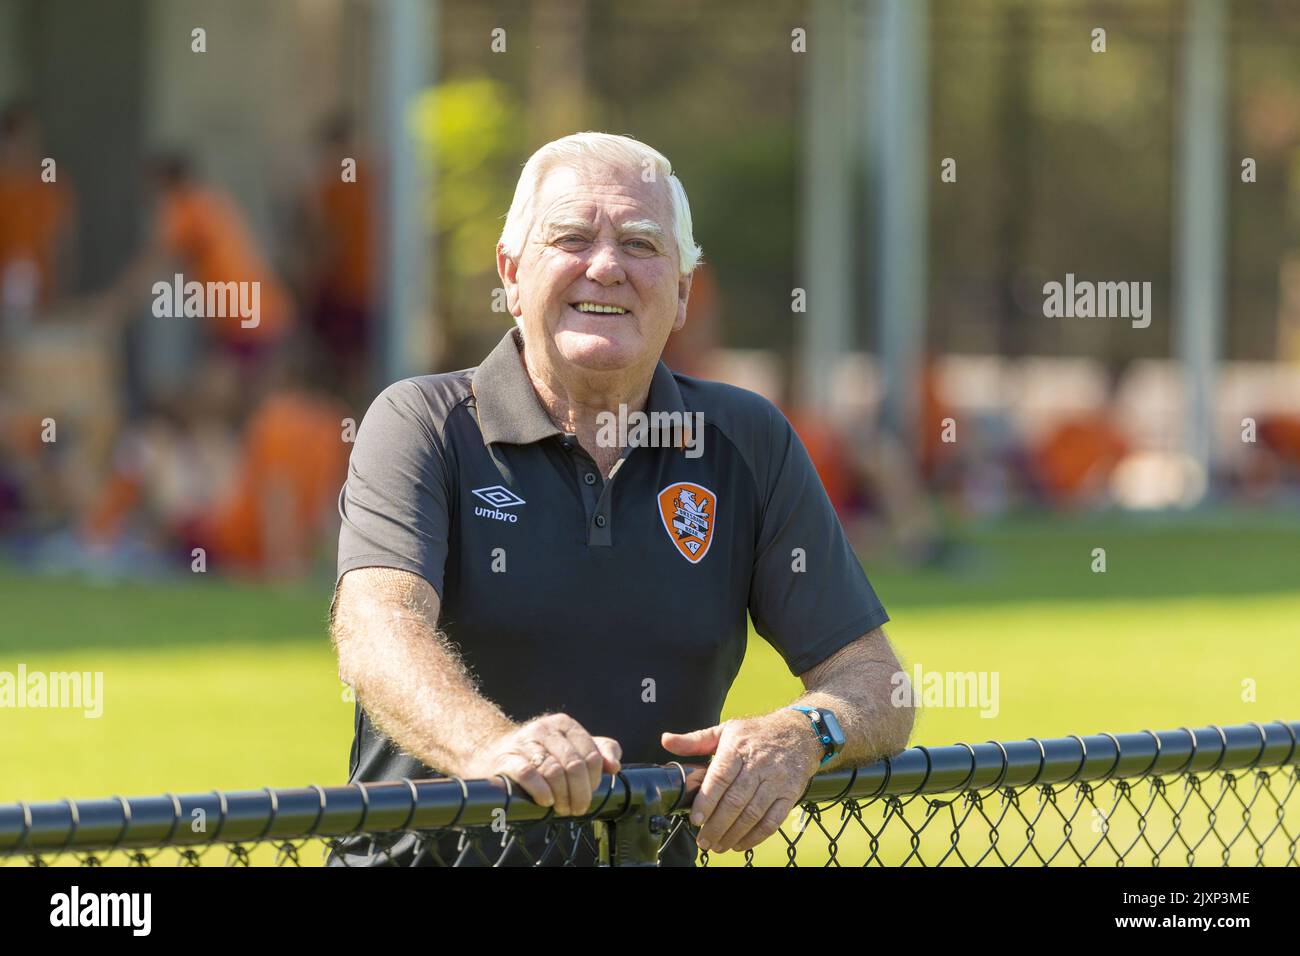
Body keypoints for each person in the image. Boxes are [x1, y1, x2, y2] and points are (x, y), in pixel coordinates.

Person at [327, 132, 913, 866]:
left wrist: (804, 733)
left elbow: (876, 682)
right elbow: (377, 627)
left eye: (640, 243)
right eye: (571, 237)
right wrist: (496, 747)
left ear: (682, 292)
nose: (605, 266)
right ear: (511, 274)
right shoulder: (421, 423)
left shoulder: (747, 439)